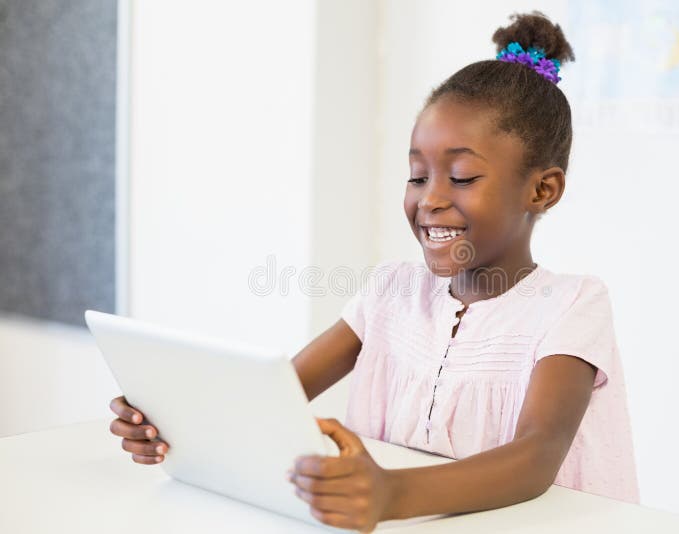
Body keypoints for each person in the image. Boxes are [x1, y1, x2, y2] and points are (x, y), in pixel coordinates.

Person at [108, 11, 639, 532]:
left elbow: (536, 455)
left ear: (542, 190)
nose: (429, 199)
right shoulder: (391, 294)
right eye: (416, 176)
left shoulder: (572, 306)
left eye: (460, 176)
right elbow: (275, 396)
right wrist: (178, 425)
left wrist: (391, 493)